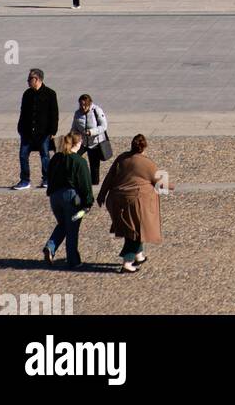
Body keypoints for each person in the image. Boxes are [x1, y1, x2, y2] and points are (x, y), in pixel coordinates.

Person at [97, 133, 166, 273]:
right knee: (135, 232)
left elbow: (110, 176)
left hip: (116, 200)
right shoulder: (147, 163)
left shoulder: (122, 158)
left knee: (135, 227)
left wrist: (102, 195)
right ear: (144, 147)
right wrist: (173, 185)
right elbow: (161, 182)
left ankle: (139, 255)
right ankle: (127, 262)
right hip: (134, 202)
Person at [42, 131, 93, 270]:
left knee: (63, 224)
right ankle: (73, 260)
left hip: (55, 198)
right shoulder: (79, 161)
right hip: (71, 199)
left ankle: (50, 246)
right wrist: (88, 202)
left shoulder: (56, 158)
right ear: (78, 143)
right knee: (72, 228)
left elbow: (49, 176)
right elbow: (85, 184)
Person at [13, 68, 59, 190]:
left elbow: (54, 114)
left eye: (30, 79)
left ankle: (47, 179)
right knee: (23, 155)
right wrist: (20, 127)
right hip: (27, 132)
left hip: (43, 133)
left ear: (37, 79)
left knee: (44, 155)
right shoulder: (27, 94)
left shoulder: (50, 94)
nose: (28, 81)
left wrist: (53, 131)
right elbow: (23, 112)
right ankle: (25, 180)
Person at [71, 94, 110, 182]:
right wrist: (72, 136)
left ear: (90, 104)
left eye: (85, 105)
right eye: (81, 105)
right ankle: (75, 178)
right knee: (72, 158)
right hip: (82, 142)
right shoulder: (77, 113)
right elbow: (74, 128)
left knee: (94, 167)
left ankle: (94, 184)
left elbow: (104, 126)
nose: (83, 107)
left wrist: (91, 132)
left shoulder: (97, 111)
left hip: (95, 143)